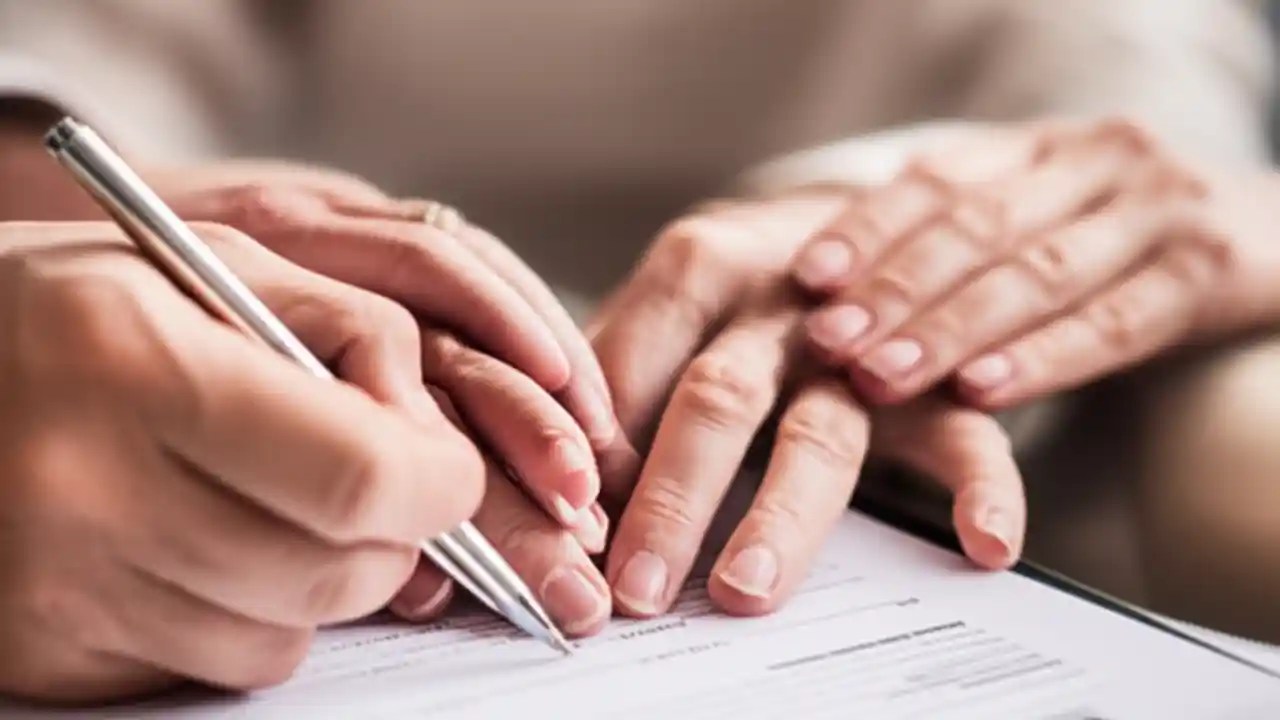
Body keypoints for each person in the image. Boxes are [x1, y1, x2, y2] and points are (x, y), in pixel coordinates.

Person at [0, 0, 1276, 702]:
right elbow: (63, 69)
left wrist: (894, 242)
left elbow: (1157, 114)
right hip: (274, 323)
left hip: (1023, 357)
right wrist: (62, 237)